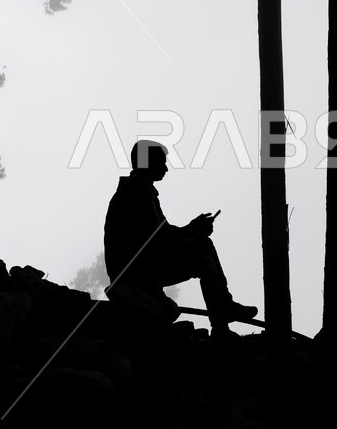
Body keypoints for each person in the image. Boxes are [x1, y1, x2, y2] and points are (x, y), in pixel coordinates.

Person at [103, 140, 257, 337]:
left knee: (203, 245)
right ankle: (221, 324)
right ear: (146, 163)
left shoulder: (141, 193)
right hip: (136, 272)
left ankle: (224, 309)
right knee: (204, 262)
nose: (166, 168)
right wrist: (191, 230)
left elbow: (162, 234)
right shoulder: (134, 195)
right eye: (161, 162)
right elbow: (158, 239)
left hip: (141, 265)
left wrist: (192, 231)